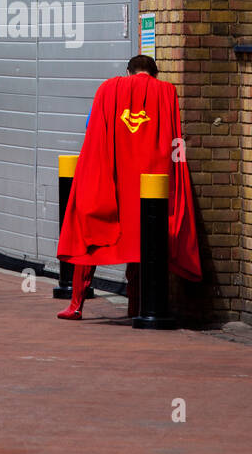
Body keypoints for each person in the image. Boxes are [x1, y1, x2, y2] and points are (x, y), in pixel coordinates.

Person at [55, 55, 201, 320]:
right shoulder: (167, 91)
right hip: (149, 184)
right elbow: (173, 139)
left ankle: (75, 305)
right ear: (154, 73)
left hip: (112, 181)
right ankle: (137, 308)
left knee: (91, 238)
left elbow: (92, 130)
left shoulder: (107, 89)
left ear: (128, 71)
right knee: (141, 243)